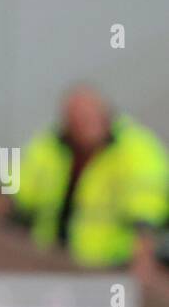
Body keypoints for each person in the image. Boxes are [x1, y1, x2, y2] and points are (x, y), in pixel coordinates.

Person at [10, 84, 169, 274]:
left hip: (111, 266)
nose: (83, 127)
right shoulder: (49, 147)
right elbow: (18, 195)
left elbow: (147, 210)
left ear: (106, 116)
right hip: (49, 259)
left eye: (88, 119)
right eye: (75, 120)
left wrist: (142, 259)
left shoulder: (136, 149)